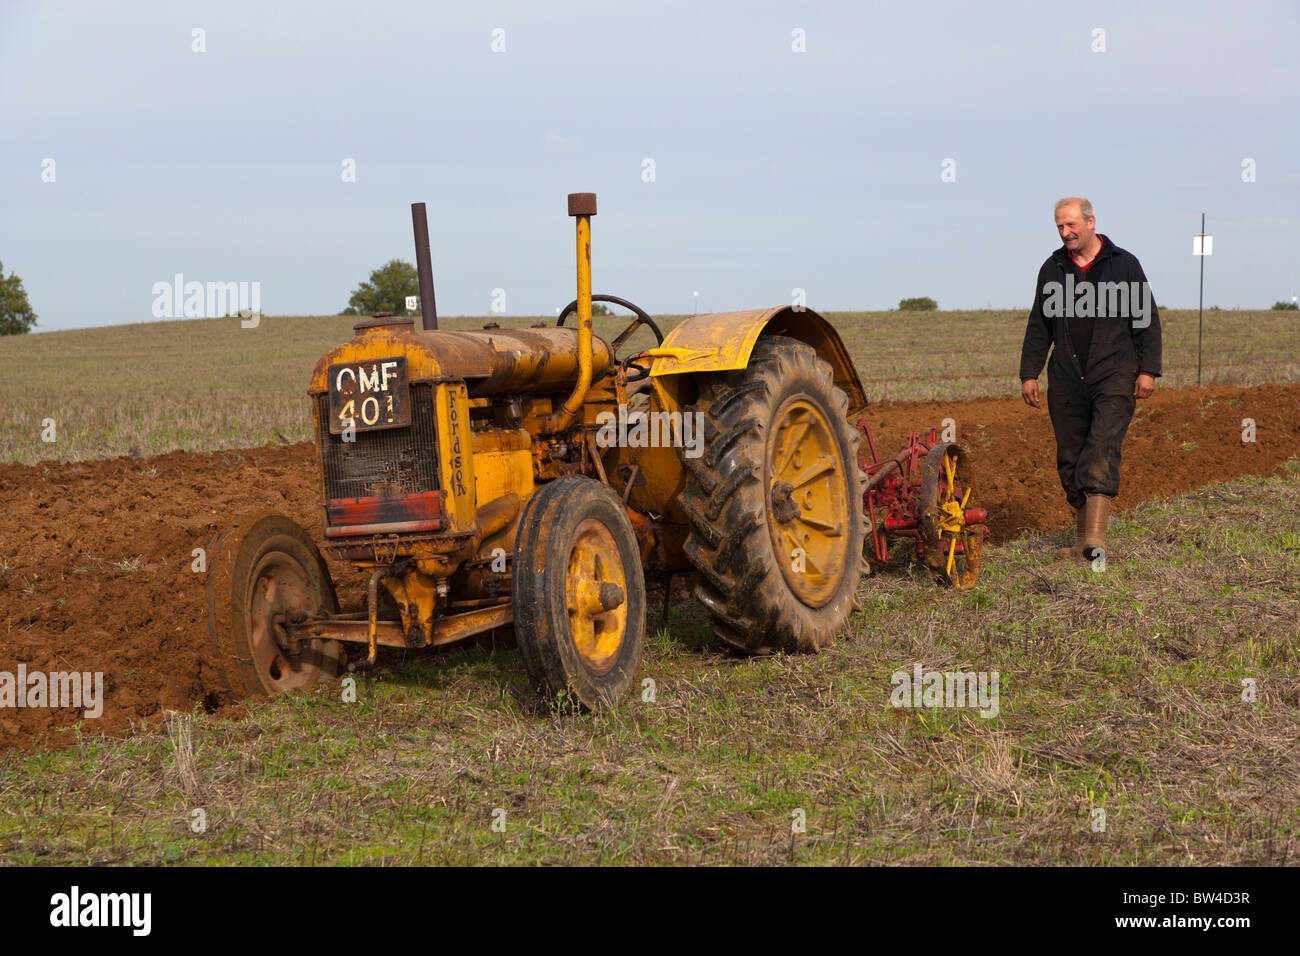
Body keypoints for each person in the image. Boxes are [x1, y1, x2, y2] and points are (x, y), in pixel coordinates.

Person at [1019, 197, 1162, 561]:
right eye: (1059, 228)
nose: (1065, 233)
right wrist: (1029, 373)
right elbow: (1039, 325)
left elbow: (1146, 318)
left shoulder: (1124, 264)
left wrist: (1148, 369)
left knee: (1100, 448)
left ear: (1090, 222)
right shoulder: (1052, 268)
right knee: (1070, 456)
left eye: (1070, 226)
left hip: (1114, 372)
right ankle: (1083, 542)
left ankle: (1096, 541)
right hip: (1066, 377)